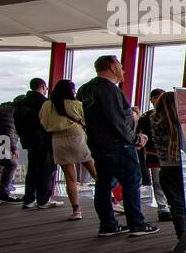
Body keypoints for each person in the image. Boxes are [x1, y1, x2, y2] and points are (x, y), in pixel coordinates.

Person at [77, 55, 158, 237]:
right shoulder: (109, 90)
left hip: (99, 145)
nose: (123, 71)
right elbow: (116, 121)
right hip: (118, 145)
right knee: (131, 181)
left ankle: (108, 224)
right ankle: (136, 223)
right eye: (121, 66)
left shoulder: (86, 89)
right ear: (113, 67)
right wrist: (136, 139)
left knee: (103, 184)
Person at [39, 79, 99, 221]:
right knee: (96, 173)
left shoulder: (47, 105)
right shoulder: (77, 105)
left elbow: (42, 121)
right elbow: (88, 121)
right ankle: (112, 201)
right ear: (71, 90)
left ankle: (76, 210)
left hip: (58, 141)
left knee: (70, 178)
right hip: (77, 138)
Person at [13, 78, 60, 210]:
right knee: (46, 169)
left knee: (33, 169)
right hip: (44, 140)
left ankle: (29, 199)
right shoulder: (45, 103)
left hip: (28, 141)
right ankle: (43, 199)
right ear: (43, 87)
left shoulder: (21, 103)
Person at [150, 90, 186, 240]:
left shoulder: (154, 119)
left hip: (166, 167)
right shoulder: (185, 122)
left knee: (176, 205)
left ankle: (182, 239)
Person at [136, 89, 173, 221]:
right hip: (154, 153)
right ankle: (163, 208)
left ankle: (170, 206)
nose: (158, 100)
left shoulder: (172, 115)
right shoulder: (146, 117)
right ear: (151, 100)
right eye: (156, 98)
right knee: (158, 182)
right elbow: (139, 133)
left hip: (170, 153)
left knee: (171, 181)